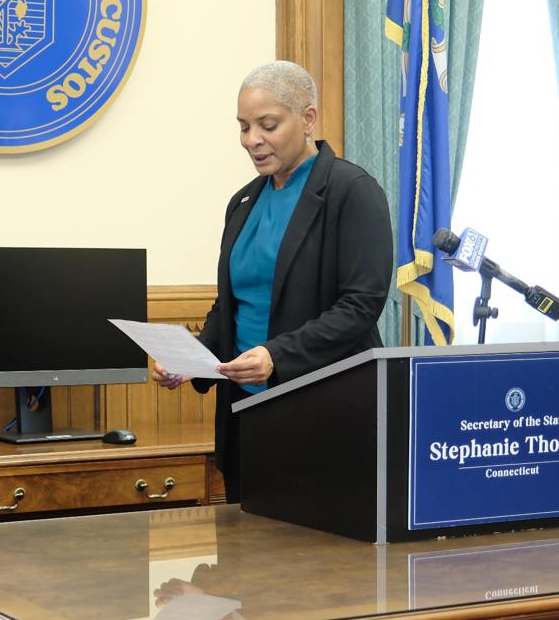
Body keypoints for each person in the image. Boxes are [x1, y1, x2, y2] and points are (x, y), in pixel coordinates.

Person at [152, 60, 391, 503]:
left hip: (325, 414)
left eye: (267, 125)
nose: (251, 140)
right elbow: (230, 305)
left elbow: (361, 305)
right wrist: (193, 358)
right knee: (241, 542)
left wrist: (276, 356)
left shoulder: (352, 190)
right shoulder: (243, 201)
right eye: (243, 127)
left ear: (308, 119)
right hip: (246, 413)